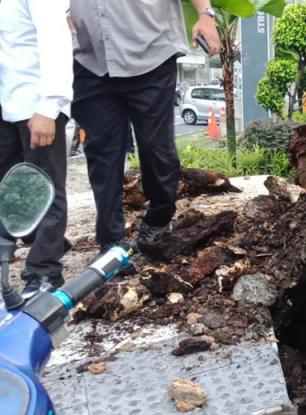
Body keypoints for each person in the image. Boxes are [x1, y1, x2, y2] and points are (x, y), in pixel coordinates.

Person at [69, 0, 221, 252]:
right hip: (91, 59)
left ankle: (159, 217)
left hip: (151, 53)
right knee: (101, 153)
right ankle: (110, 239)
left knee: (155, 147)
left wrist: (206, 14)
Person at [0, 0, 73, 298]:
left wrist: (50, 105)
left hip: (37, 105)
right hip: (6, 104)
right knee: (11, 192)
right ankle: (49, 242)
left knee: (45, 189)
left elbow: (54, 37)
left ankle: (44, 272)